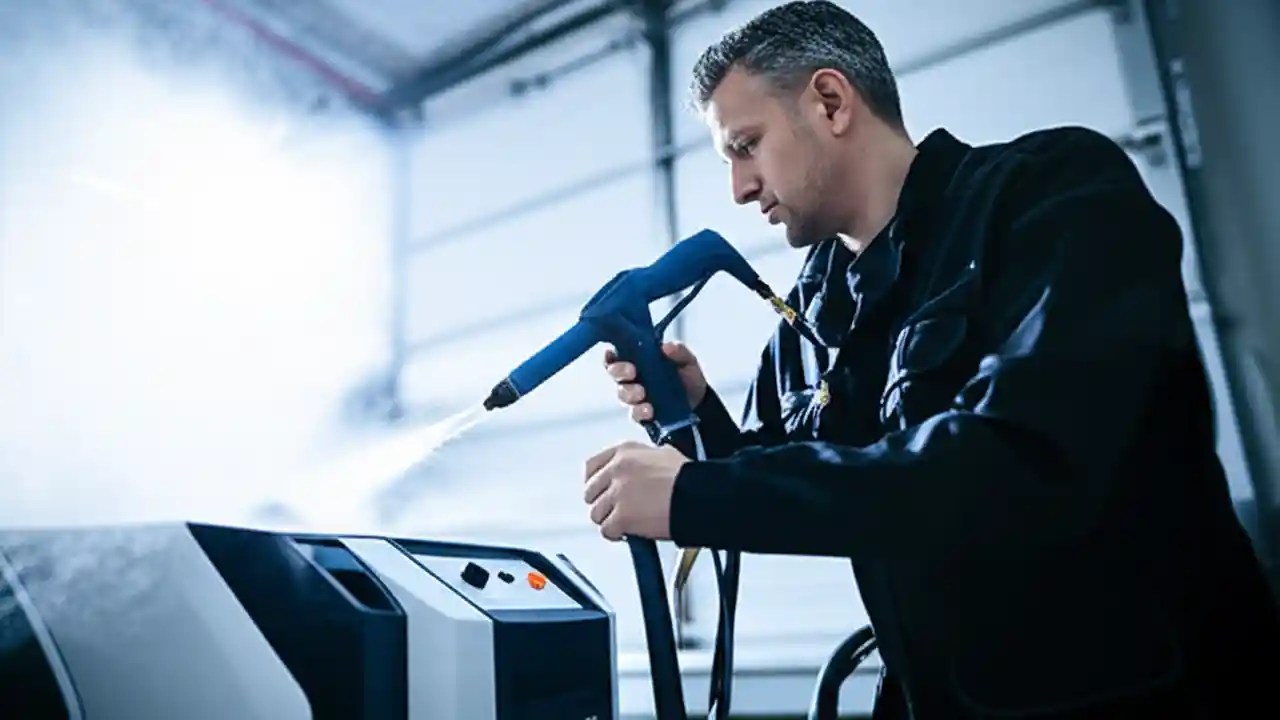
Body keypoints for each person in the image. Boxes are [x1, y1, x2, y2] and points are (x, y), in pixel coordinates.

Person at [581, 1, 1280, 717]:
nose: (739, 189)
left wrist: (697, 496)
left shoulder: (1049, 196)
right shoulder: (810, 315)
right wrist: (698, 421)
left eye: (746, 145)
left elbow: (1014, 459)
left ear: (829, 101)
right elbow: (815, 483)